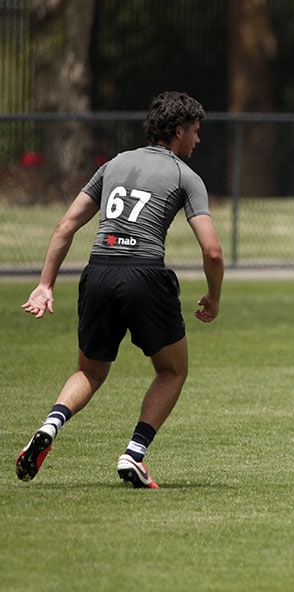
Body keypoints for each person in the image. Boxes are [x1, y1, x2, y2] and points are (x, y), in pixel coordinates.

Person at [15, 91, 224, 489]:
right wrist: (214, 295)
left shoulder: (113, 164)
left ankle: (49, 426)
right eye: (195, 131)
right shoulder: (186, 176)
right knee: (172, 370)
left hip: (98, 272)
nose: (198, 140)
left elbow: (65, 227)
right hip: (145, 275)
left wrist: (45, 285)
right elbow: (212, 252)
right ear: (178, 132)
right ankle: (134, 454)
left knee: (89, 370)